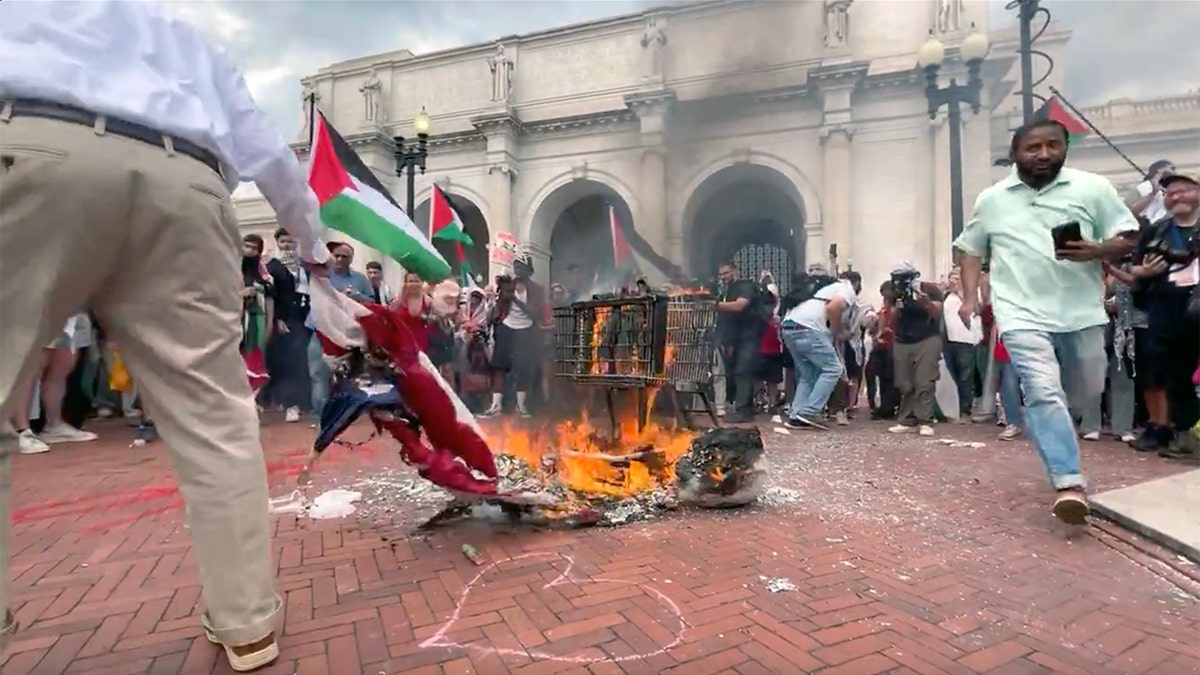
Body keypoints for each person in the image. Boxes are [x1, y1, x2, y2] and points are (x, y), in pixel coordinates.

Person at [0, 0, 331, 667]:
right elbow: (266, 149)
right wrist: (313, 239)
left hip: (33, 143)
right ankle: (247, 624)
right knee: (216, 420)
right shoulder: (187, 40)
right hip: (186, 181)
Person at [954, 119, 1137, 525]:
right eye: (1033, 148)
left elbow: (1129, 235)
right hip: (1019, 312)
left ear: (1065, 148)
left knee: (1087, 388)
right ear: (1016, 152)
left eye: (1053, 145)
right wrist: (969, 298)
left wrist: (1096, 250)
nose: (1043, 154)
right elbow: (970, 249)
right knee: (1041, 391)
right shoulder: (992, 199)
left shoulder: (1094, 189)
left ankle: (1053, 424)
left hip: (1081, 312)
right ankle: (1068, 481)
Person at [715, 261, 766, 423]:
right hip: (737, 338)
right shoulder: (728, 290)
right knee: (738, 372)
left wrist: (713, 306)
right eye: (721, 275)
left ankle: (742, 410)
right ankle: (744, 408)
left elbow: (739, 306)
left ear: (735, 271)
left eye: (726, 273)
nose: (723, 277)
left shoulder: (745, 286)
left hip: (749, 336)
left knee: (743, 371)